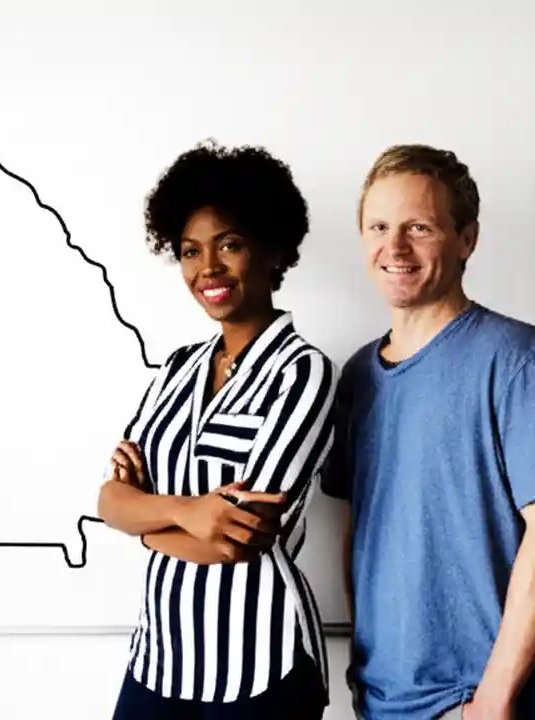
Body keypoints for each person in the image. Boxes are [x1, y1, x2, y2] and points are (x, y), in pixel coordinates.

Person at [322, 144, 535, 720]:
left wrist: (493, 699)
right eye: (378, 226)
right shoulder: (357, 378)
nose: (394, 247)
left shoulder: (519, 360)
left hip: (484, 705)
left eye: (419, 227)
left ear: (467, 238)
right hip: (383, 700)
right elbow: (362, 536)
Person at [98, 139, 337, 719]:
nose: (207, 269)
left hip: (259, 660)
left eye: (228, 244)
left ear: (272, 249)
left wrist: (147, 521)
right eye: (189, 251)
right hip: (160, 656)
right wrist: (186, 512)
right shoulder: (177, 368)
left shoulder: (303, 371)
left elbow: (240, 535)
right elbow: (109, 500)